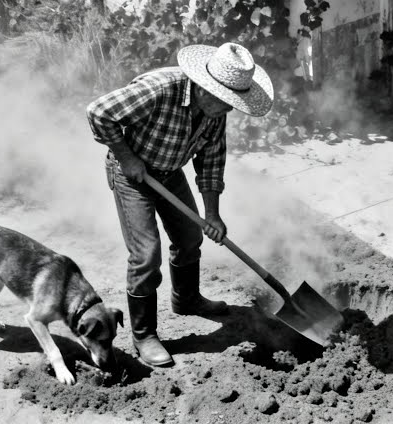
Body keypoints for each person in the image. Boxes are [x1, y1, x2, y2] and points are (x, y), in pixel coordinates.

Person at [86, 42, 275, 367]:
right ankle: (144, 335)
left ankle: (186, 299)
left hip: (168, 172)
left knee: (190, 237)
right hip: (132, 174)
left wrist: (212, 214)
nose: (228, 110)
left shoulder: (215, 114)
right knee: (146, 255)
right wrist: (127, 156)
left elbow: (212, 161)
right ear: (204, 88)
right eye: (225, 102)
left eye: (233, 103)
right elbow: (99, 112)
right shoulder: (160, 89)